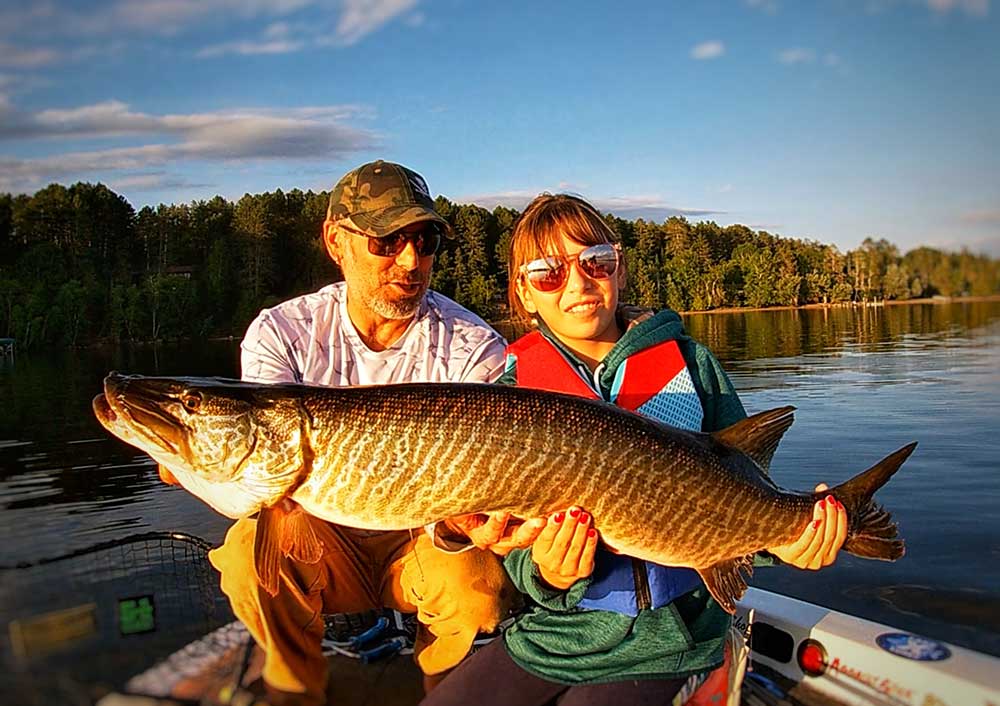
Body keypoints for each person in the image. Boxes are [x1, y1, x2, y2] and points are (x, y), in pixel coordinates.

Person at [421, 193, 848, 706]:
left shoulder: (691, 364)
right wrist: (549, 575)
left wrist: (791, 540)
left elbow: (749, 496)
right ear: (525, 293)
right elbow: (513, 551)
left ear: (619, 270)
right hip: (553, 640)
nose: (577, 283)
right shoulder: (508, 400)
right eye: (548, 272)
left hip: (672, 645)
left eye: (594, 262)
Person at [203, 160, 545, 706]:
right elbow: (262, 472)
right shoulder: (281, 332)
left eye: (425, 239)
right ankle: (295, 693)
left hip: (425, 533)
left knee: (476, 583)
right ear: (336, 241)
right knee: (249, 559)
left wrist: (468, 526)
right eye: (387, 241)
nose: (411, 261)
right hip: (316, 533)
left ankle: (444, 690)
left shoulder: (472, 345)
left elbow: (474, 503)